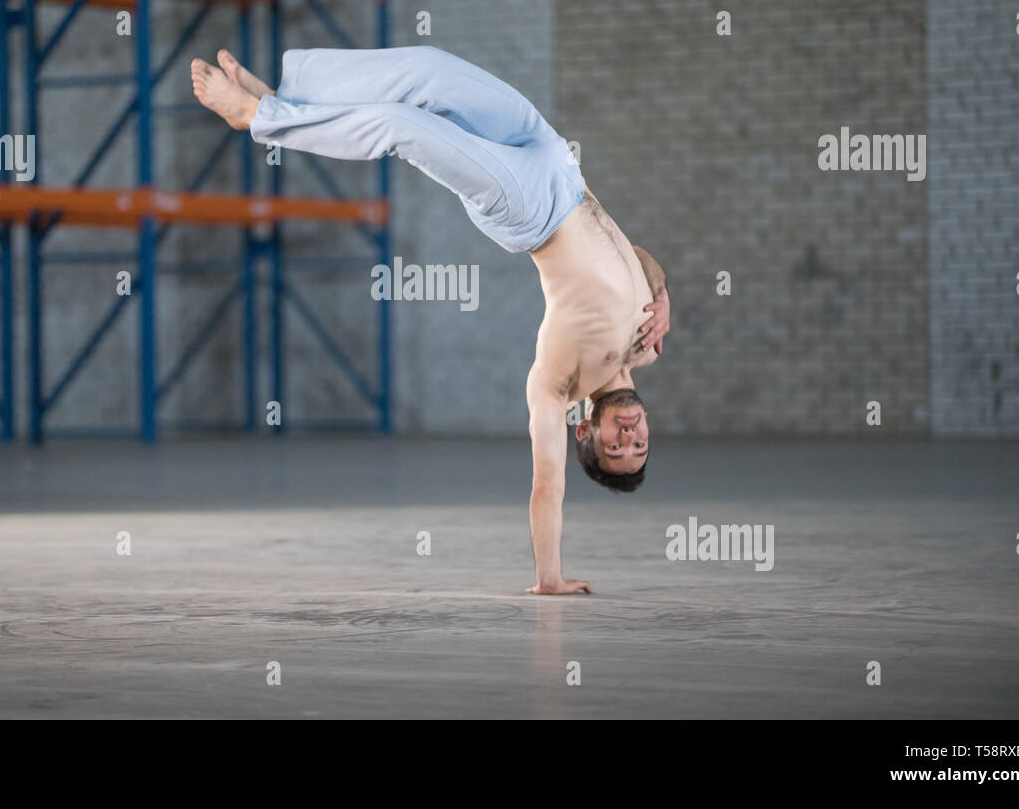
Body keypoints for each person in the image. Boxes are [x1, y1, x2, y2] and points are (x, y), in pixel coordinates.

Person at [192, 45, 671, 595]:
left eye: (615, 446)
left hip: (531, 207)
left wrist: (550, 578)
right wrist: (662, 293)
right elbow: (636, 252)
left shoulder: (558, 384)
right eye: (639, 446)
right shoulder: (650, 343)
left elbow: (547, 487)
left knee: (404, 126)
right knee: (427, 70)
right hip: (556, 159)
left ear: (585, 430)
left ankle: (259, 117)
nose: (630, 436)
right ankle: (288, 99)